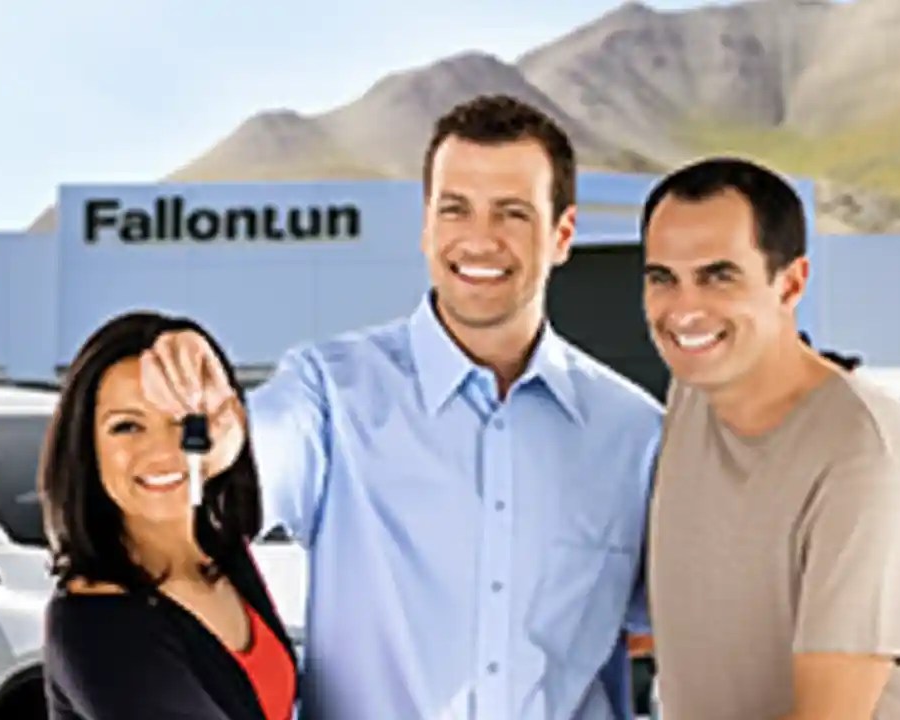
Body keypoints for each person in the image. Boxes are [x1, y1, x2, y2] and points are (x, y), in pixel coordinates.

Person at [139, 94, 664, 720]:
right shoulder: (329, 393)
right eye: (455, 209)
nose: (480, 239)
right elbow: (244, 473)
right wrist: (216, 437)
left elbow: (680, 620)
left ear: (562, 236)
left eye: (512, 214)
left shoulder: (635, 433)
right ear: (425, 226)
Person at [640, 157, 900, 719]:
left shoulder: (866, 460)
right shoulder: (693, 394)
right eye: (663, 278)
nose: (684, 309)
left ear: (792, 282)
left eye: (718, 276)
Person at [39, 311, 298, 720]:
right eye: (127, 426)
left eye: (184, 422)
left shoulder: (222, 556)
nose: (162, 451)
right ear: (87, 446)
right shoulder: (98, 622)